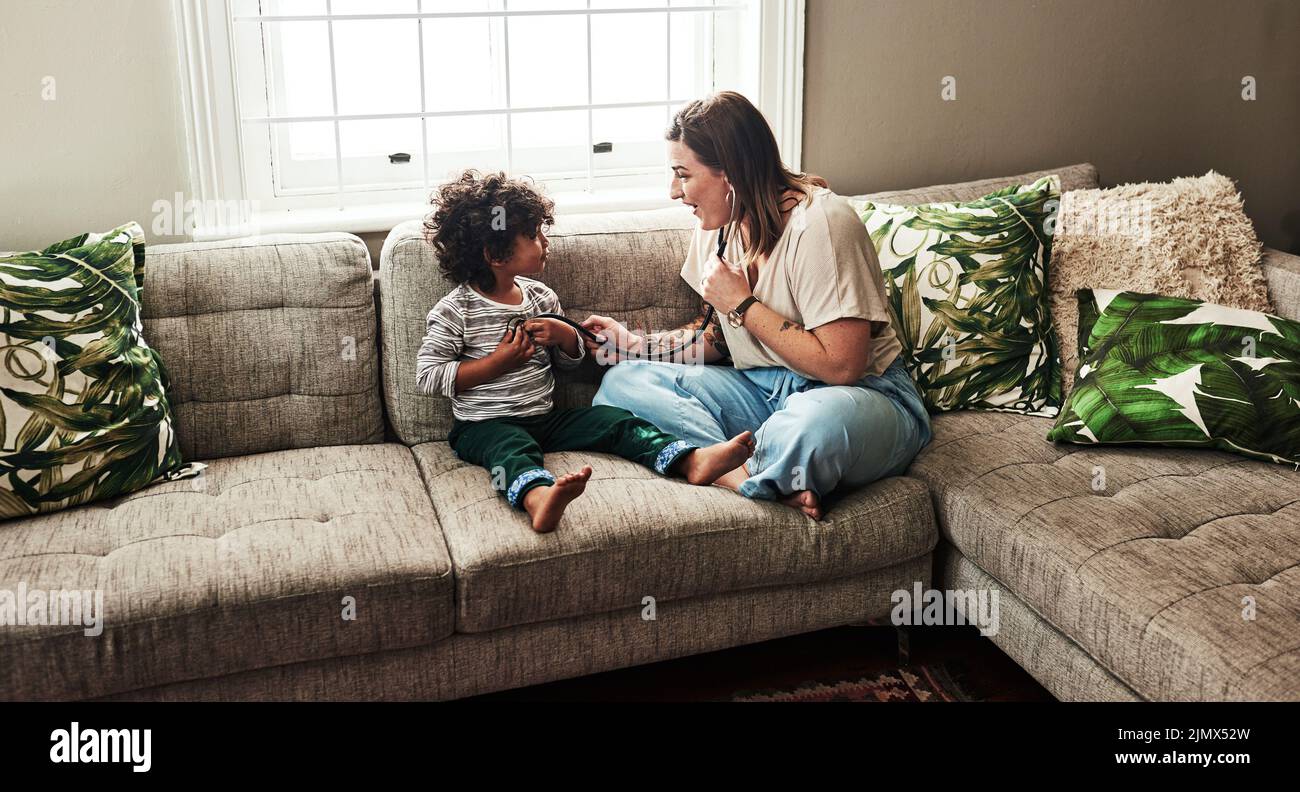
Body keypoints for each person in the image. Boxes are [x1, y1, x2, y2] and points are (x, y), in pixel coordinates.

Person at [581, 92, 932, 520]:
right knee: (623, 383)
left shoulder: (823, 225)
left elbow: (843, 366)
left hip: (860, 396)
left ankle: (739, 467)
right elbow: (714, 340)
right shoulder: (717, 224)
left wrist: (743, 303)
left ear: (730, 172)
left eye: (682, 175)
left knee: (817, 426)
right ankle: (742, 475)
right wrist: (636, 344)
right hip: (764, 390)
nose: (674, 191)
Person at [416, 169, 757, 532]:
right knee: (512, 449)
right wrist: (496, 364)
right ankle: (539, 498)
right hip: (484, 427)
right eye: (533, 235)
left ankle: (690, 461)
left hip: (545, 418)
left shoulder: (540, 297)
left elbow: (569, 362)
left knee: (614, 421)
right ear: (495, 254)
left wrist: (565, 336)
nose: (545, 242)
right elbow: (429, 377)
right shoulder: (456, 311)